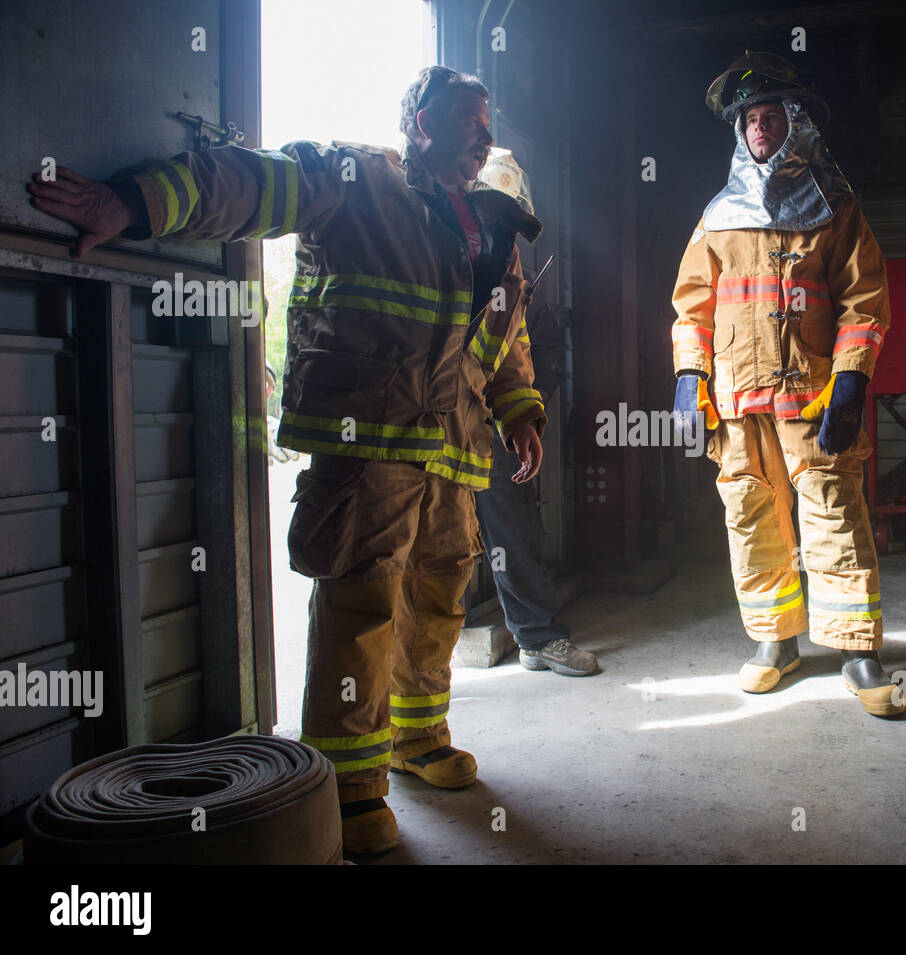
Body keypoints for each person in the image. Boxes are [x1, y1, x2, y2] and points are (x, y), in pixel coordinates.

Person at [28, 66, 549, 851]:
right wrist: (134, 203)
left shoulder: (496, 230)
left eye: (487, 122)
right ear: (418, 119)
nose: (482, 133)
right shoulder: (356, 181)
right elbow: (245, 183)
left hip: (453, 454)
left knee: (439, 599)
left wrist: (520, 410)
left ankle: (416, 737)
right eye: (465, 118)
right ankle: (349, 786)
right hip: (366, 443)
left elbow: (507, 345)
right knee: (362, 609)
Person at [670, 52, 903, 716]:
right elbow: (692, 308)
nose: (760, 127)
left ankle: (857, 648)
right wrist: (691, 377)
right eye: (750, 118)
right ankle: (775, 641)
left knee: (835, 512)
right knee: (749, 517)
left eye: (771, 116)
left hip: (813, 394)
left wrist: (852, 380)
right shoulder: (716, 217)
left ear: (795, 124)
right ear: (739, 131)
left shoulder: (837, 209)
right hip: (739, 400)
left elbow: (865, 301)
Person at [472, 149, 596, 676]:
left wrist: (521, 417)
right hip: (413, 419)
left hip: (482, 413)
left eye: (510, 220)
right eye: (489, 212)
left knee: (513, 521)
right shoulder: (417, 237)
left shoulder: (508, 260)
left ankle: (537, 638)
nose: (500, 228)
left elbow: (513, 344)